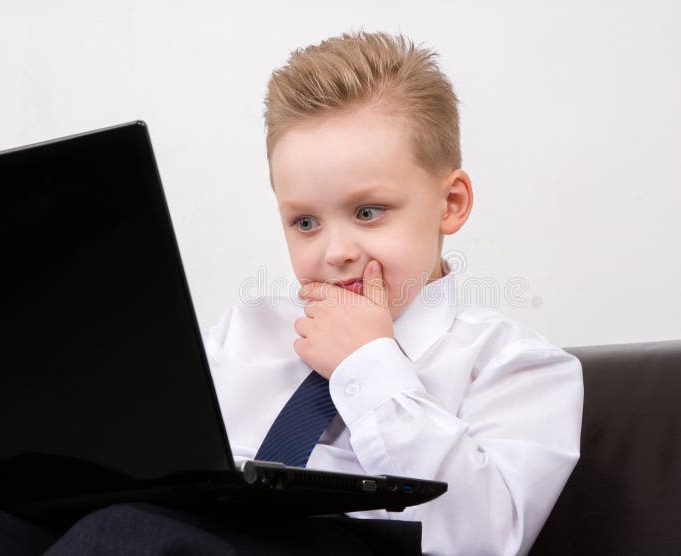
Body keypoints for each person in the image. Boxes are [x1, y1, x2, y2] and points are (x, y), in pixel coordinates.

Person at [203, 30, 583, 555]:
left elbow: (483, 540)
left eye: (367, 212)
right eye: (305, 222)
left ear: (450, 203)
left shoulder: (518, 369)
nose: (336, 251)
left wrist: (367, 365)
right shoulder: (239, 337)